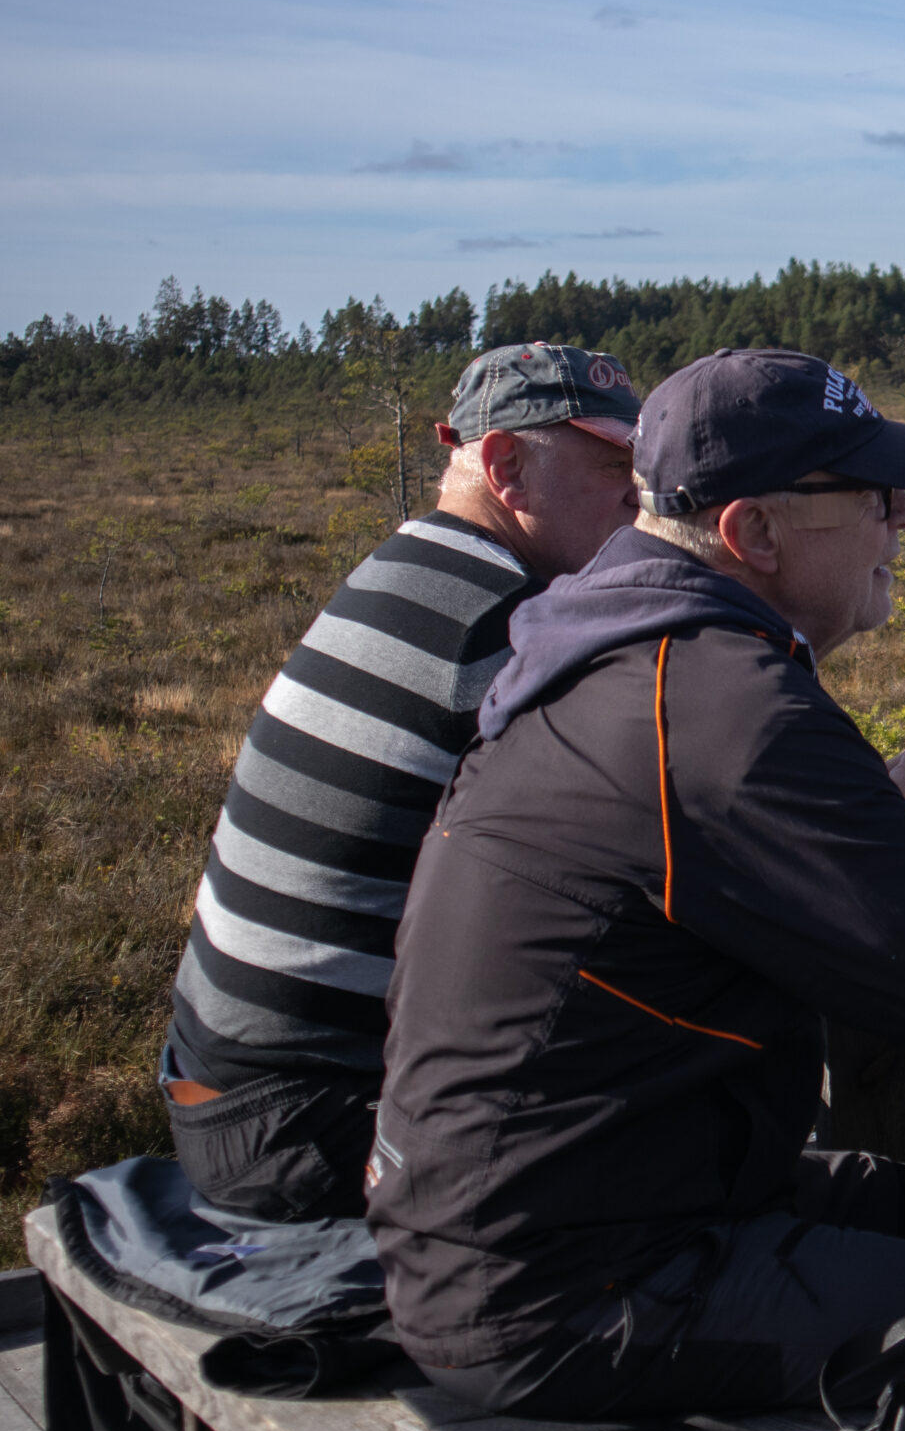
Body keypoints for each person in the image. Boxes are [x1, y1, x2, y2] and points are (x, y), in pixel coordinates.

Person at [365, 346, 905, 1420]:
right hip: (575, 1293)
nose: (903, 517)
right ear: (751, 532)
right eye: (870, 494)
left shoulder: (626, 659)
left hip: (552, 1218)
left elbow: (865, 917)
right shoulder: (724, 713)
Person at [159, 343, 645, 1224]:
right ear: (505, 466)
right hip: (316, 1127)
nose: (636, 493)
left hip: (226, 1091)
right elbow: (653, 839)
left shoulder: (417, 569)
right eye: (613, 463)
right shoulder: (502, 623)